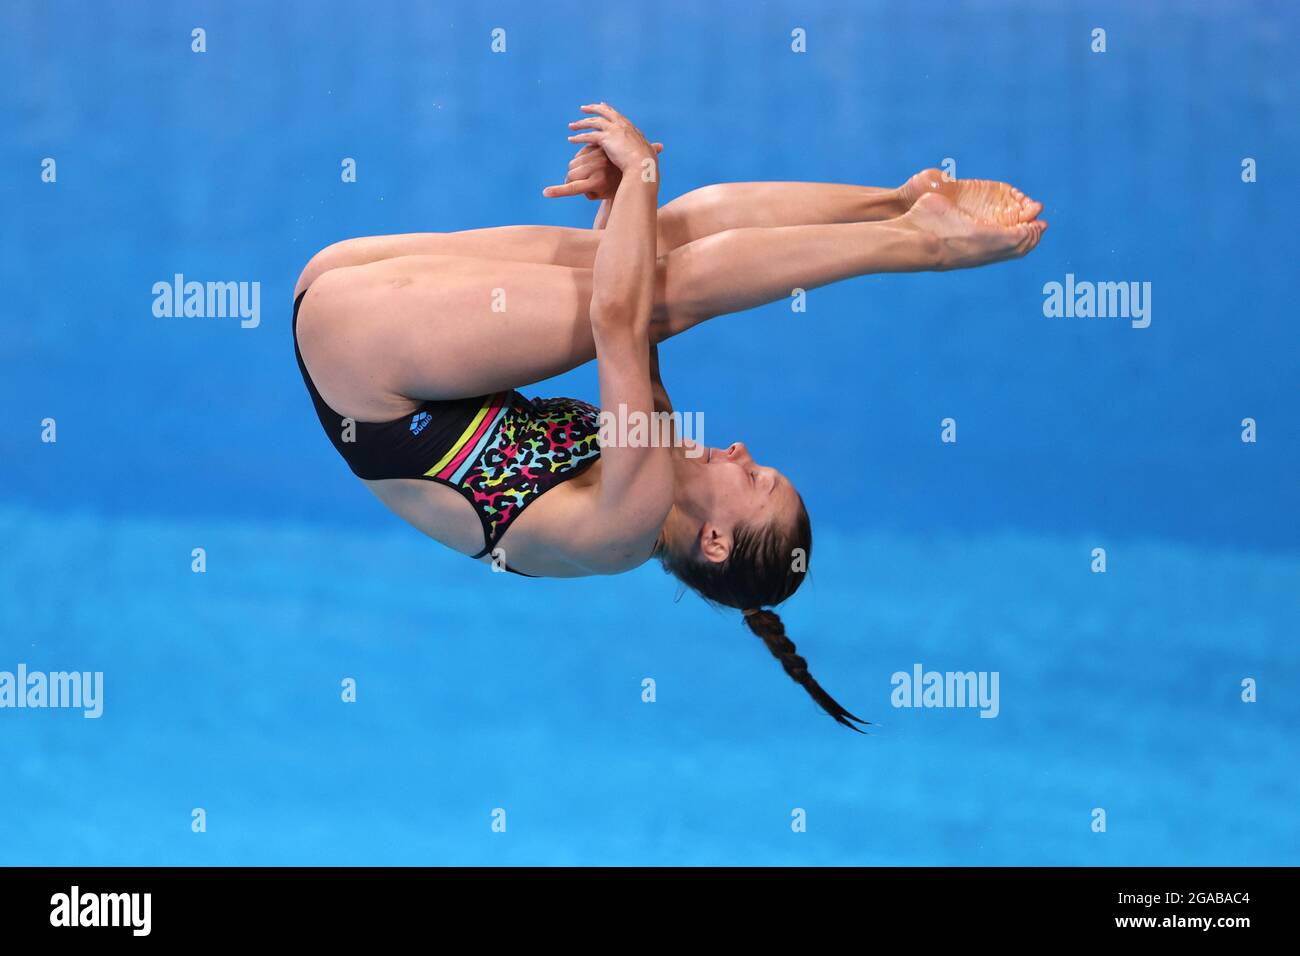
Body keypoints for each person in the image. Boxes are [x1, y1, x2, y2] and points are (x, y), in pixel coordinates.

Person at [291, 103, 1047, 730]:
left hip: (366, 362)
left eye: (757, 480)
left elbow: (619, 320)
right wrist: (621, 194)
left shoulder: (631, 521)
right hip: (348, 311)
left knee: (667, 289)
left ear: (714, 540)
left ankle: (921, 244)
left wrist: (643, 174)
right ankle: (897, 201)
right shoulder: (658, 467)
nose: (744, 452)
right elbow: (623, 288)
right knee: (665, 245)